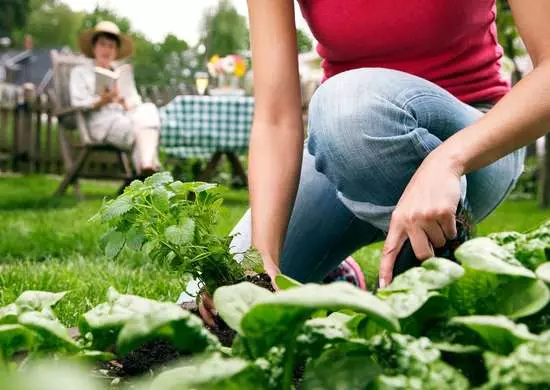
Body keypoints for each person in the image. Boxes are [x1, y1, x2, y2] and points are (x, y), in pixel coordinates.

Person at [199, 1, 550, 324]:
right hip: (343, 143)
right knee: (222, 303)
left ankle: (431, 297)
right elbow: (276, 118)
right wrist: (261, 263)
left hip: (475, 143)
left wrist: (447, 160)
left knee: (348, 105)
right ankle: (337, 275)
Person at [70, 21, 161, 176]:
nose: (107, 50)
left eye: (111, 46)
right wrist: (101, 101)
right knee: (145, 133)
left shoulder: (122, 74)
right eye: (103, 45)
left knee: (149, 109)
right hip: (101, 123)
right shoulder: (80, 72)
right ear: (94, 47)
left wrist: (122, 101)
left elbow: (135, 103)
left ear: (116, 51)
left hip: (126, 117)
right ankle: (150, 169)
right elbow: (78, 102)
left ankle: (146, 165)